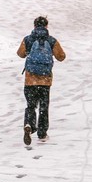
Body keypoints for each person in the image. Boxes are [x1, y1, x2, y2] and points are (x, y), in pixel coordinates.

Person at [17, 15, 66, 145]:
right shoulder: (51, 40)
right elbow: (61, 56)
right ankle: (42, 133)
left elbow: (20, 54)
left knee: (31, 105)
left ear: (34, 26)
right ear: (46, 26)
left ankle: (29, 124)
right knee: (43, 107)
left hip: (30, 80)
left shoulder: (28, 39)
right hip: (45, 80)